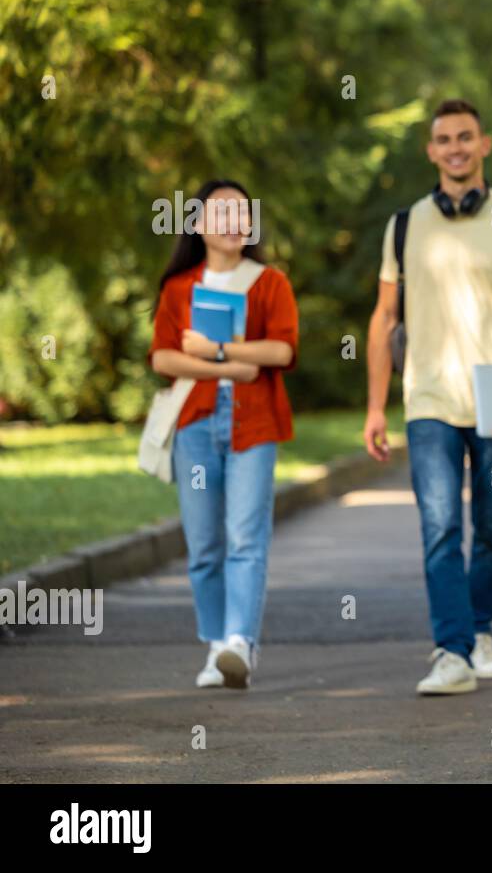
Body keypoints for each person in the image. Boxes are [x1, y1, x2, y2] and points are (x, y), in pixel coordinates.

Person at [364, 99, 492, 695]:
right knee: (441, 524)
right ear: (431, 151)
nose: (454, 147)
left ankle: (479, 631)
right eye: (443, 139)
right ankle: (451, 651)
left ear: (484, 145)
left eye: (465, 137)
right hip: (428, 401)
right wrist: (374, 406)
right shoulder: (404, 226)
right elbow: (383, 318)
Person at [148, 178, 300, 689]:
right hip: (194, 426)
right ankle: (216, 645)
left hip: (254, 425)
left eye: (241, 213)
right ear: (197, 226)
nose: (234, 222)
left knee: (245, 536)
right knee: (204, 543)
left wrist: (215, 353)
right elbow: (164, 357)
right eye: (221, 213)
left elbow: (280, 353)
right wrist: (234, 368)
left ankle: (240, 642)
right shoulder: (179, 288)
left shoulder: (269, 283)